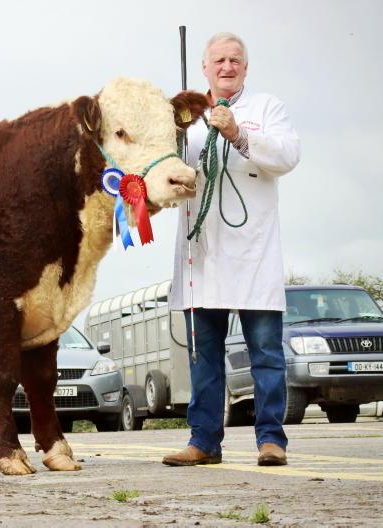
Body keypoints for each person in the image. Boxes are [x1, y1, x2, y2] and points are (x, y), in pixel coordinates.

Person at [164, 32, 301, 467]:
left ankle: (271, 440)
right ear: (204, 67)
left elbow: (287, 155)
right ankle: (203, 442)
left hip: (254, 250)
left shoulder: (267, 108)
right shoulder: (183, 115)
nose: (227, 66)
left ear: (245, 68)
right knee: (205, 356)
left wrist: (239, 134)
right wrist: (174, 136)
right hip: (202, 253)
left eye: (235, 60)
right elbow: (161, 168)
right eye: (219, 60)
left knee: (265, 352)